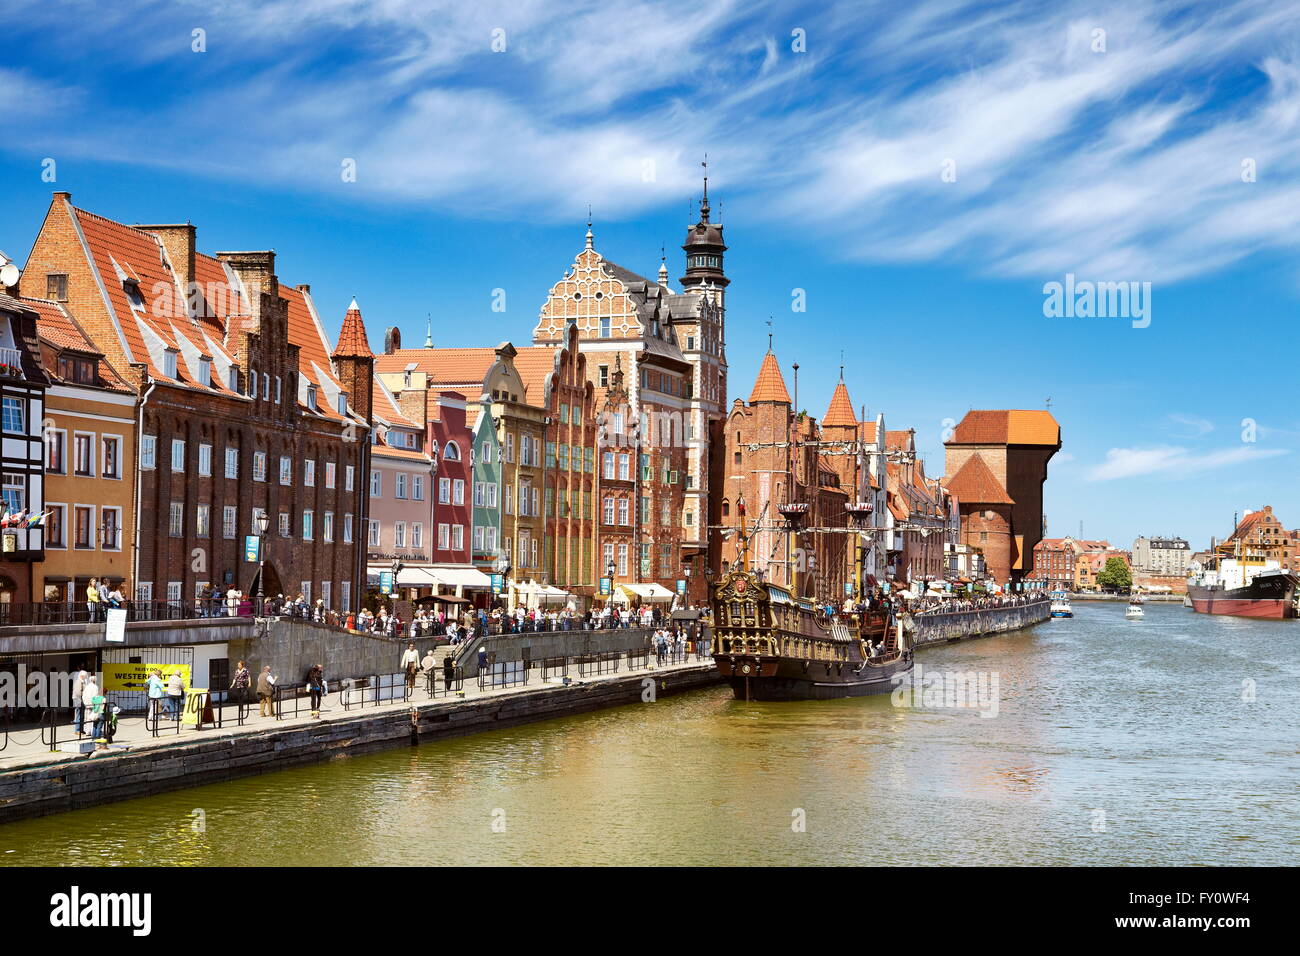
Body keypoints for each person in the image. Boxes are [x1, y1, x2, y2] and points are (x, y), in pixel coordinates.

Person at [70, 670, 88, 735]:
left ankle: (81, 729)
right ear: (82, 676)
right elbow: (78, 692)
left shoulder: (82, 682)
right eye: (85, 676)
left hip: (81, 700)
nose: (86, 677)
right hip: (78, 700)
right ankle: (77, 730)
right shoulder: (79, 682)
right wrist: (85, 694)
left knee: (82, 715)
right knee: (79, 715)